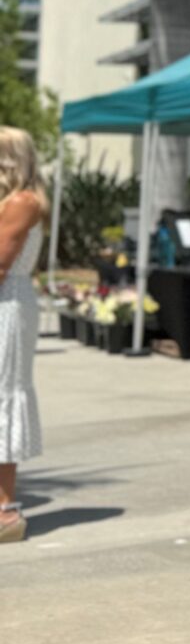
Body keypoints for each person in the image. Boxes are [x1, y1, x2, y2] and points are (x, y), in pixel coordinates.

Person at [0, 127, 51, 543]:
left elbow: (0, 260)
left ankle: (4, 509)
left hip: (7, 304)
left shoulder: (23, 202)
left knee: (3, 398)